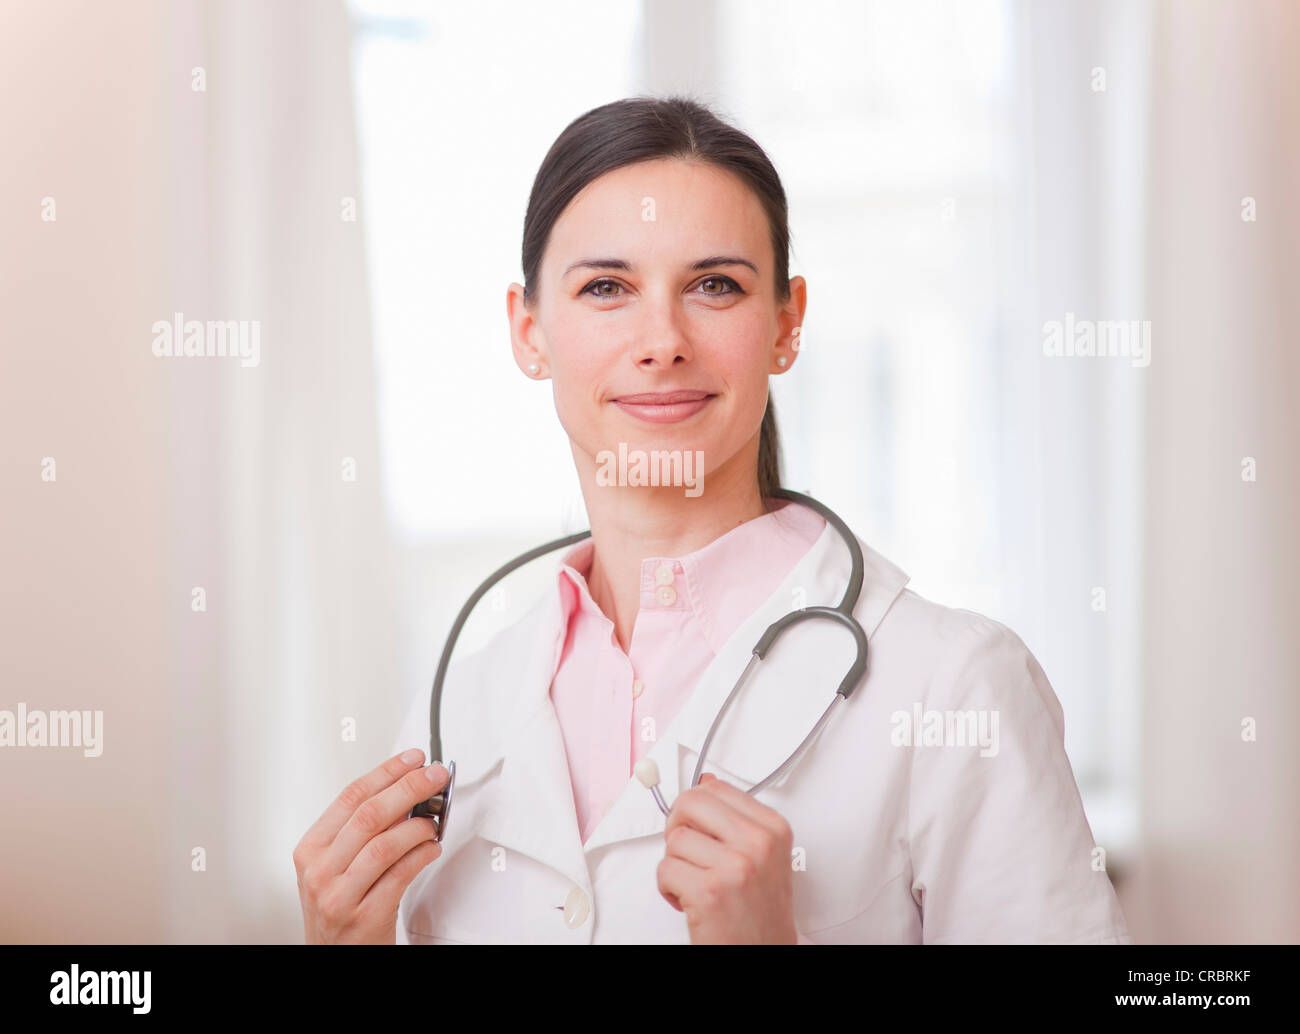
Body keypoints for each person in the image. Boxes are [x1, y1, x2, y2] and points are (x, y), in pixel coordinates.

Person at [294, 95, 1131, 945]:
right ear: (529, 329)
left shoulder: (957, 688)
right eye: (607, 288)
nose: (662, 340)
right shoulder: (458, 715)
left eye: (715, 285)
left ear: (786, 323)